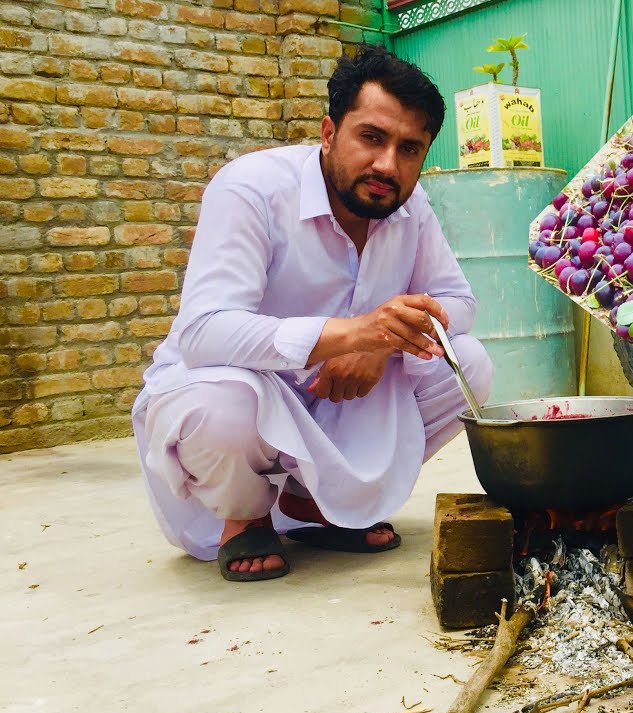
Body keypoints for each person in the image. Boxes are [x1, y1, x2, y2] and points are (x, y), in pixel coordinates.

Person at [131, 44, 493, 582]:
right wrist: (350, 335)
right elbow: (204, 334)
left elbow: (459, 306)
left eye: (409, 149)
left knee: (468, 364)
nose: (387, 165)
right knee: (221, 401)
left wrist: (380, 343)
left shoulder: (409, 206)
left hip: (338, 396)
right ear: (329, 133)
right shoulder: (251, 188)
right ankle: (245, 514)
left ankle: (315, 504)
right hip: (245, 389)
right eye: (371, 138)